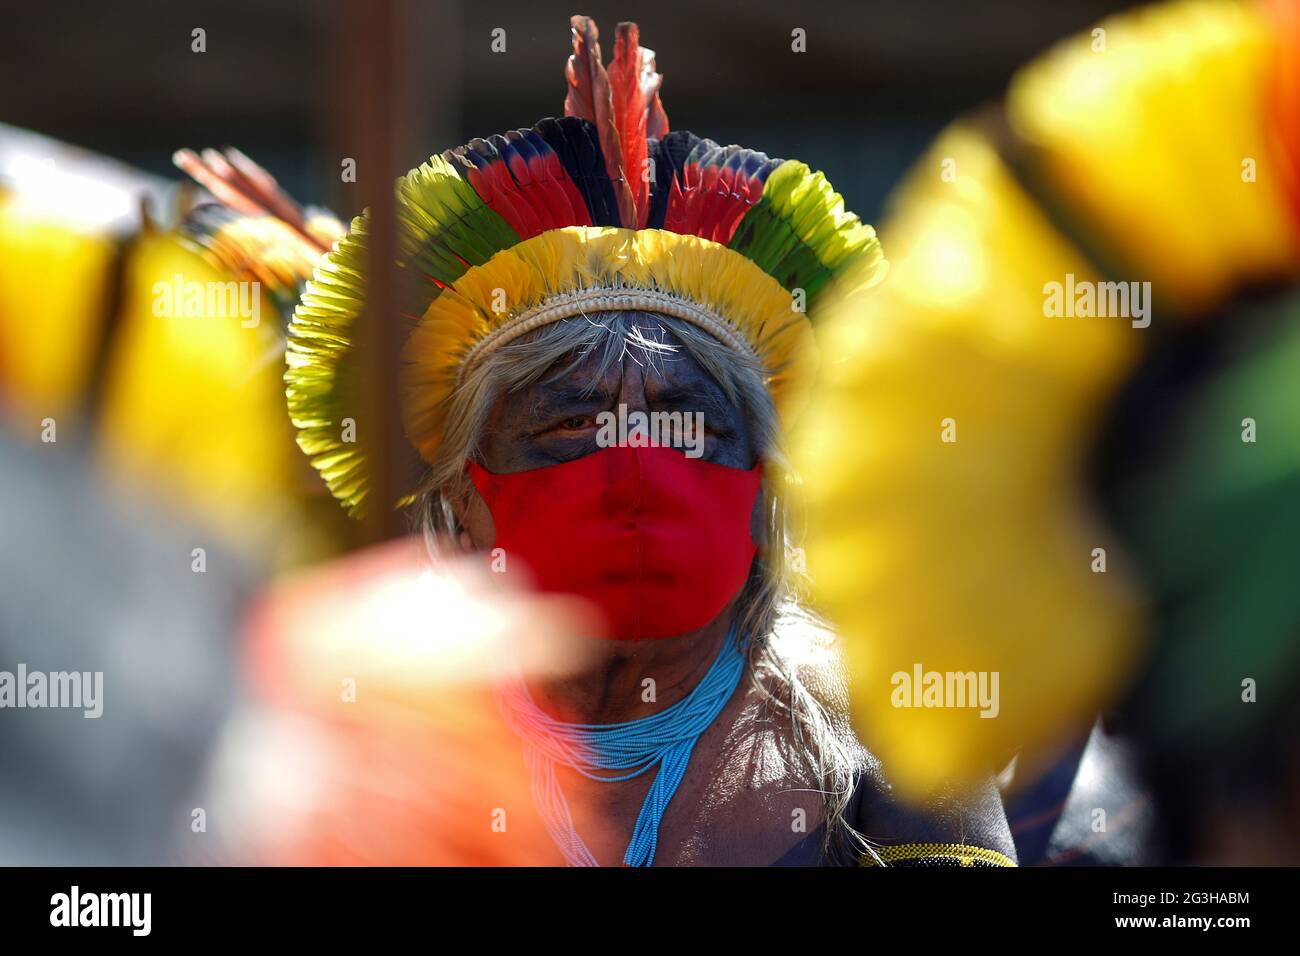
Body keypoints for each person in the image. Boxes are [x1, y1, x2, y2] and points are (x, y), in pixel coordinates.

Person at [182, 14, 1017, 867]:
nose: (634, 473)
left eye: (688, 427)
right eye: (571, 424)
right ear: (463, 494)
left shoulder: (885, 727)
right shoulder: (356, 735)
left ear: (766, 486)